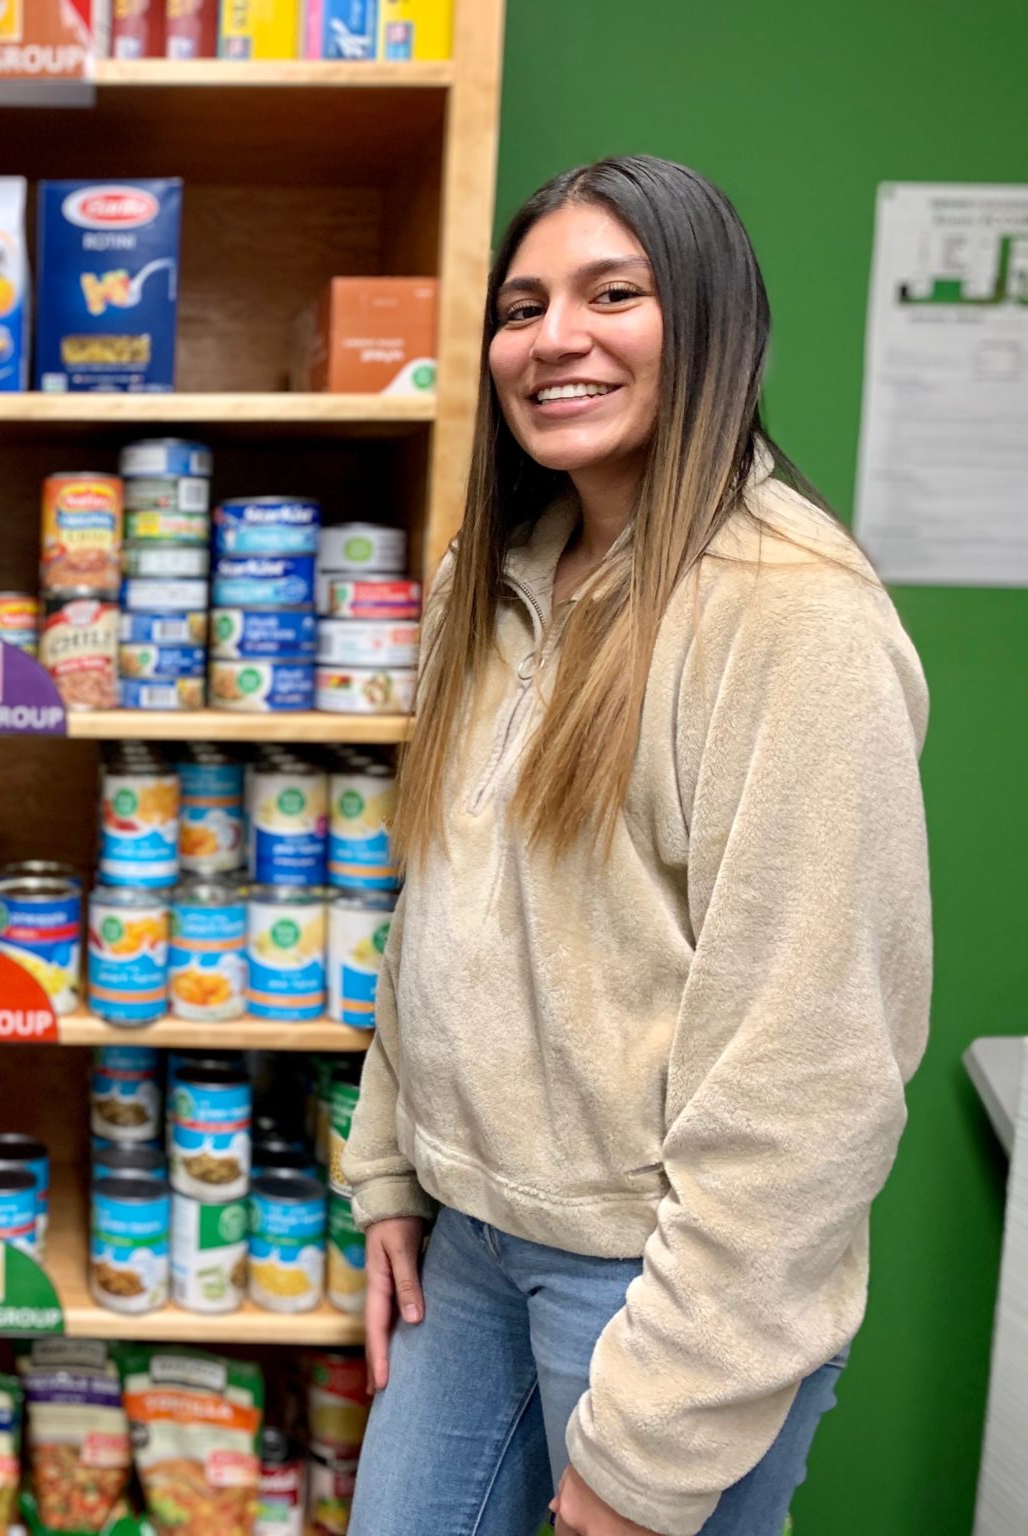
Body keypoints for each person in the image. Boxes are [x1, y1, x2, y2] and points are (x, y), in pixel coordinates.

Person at [341, 156, 930, 1536]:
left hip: (664, 1285)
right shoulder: (489, 582)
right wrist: (389, 1167)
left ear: (716, 323)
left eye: (616, 294)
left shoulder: (793, 619)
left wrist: (645, 1462)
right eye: (524, 304)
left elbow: (811, 1084)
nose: (555, 339)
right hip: (469, 1250)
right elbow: (441, 910)